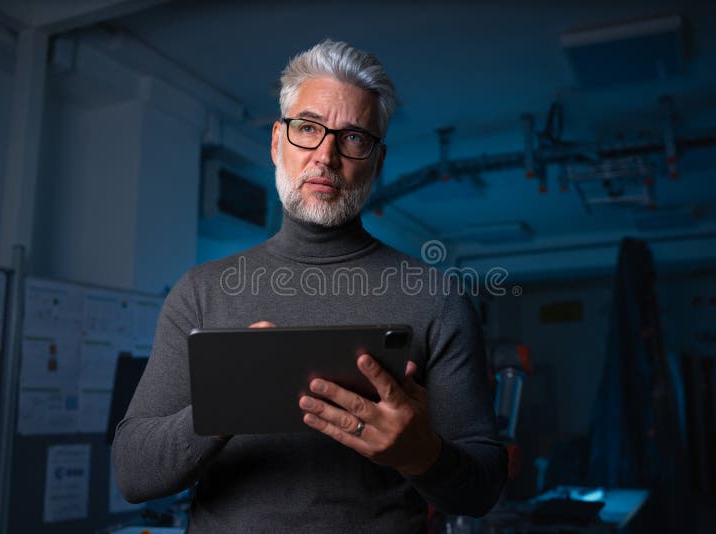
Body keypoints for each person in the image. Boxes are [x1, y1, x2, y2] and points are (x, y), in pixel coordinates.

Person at [113, 39, 507, 532]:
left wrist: (422, 454)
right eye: (308, 128)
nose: (326, 155)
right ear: (278, 142)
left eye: (354, 138)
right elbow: (132, 473)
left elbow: (483, 488)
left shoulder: (436, 298)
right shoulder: (201, 291)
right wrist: (222, 408)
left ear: (377, 161)